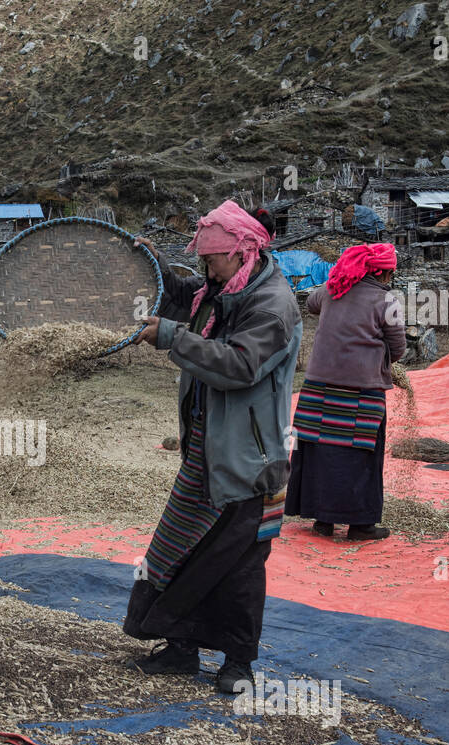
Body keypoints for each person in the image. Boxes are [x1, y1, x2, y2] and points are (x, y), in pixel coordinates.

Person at [124, 202, 302, 693]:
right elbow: (187, 301)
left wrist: (170, 337)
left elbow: (240, 364)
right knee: (180, 548)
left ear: (244, 251)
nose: (208, 269)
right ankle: (180, 647)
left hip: (250, 457)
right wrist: (156, 267)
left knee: (239, 563)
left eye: (214, 258)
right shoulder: (223, 288)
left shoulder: (273, 305)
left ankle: (237, 662)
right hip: (206, 448)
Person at [285, 243, 405, 541]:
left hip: (319, 388)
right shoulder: (387, 301)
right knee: (358, 456)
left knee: (320, 451)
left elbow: (312, 303)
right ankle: (359, 525)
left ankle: (322, 520)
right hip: (362, 392)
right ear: (383, 272)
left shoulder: (332, 290)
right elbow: (399, 348)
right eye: (391, 272)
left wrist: (337, 280)